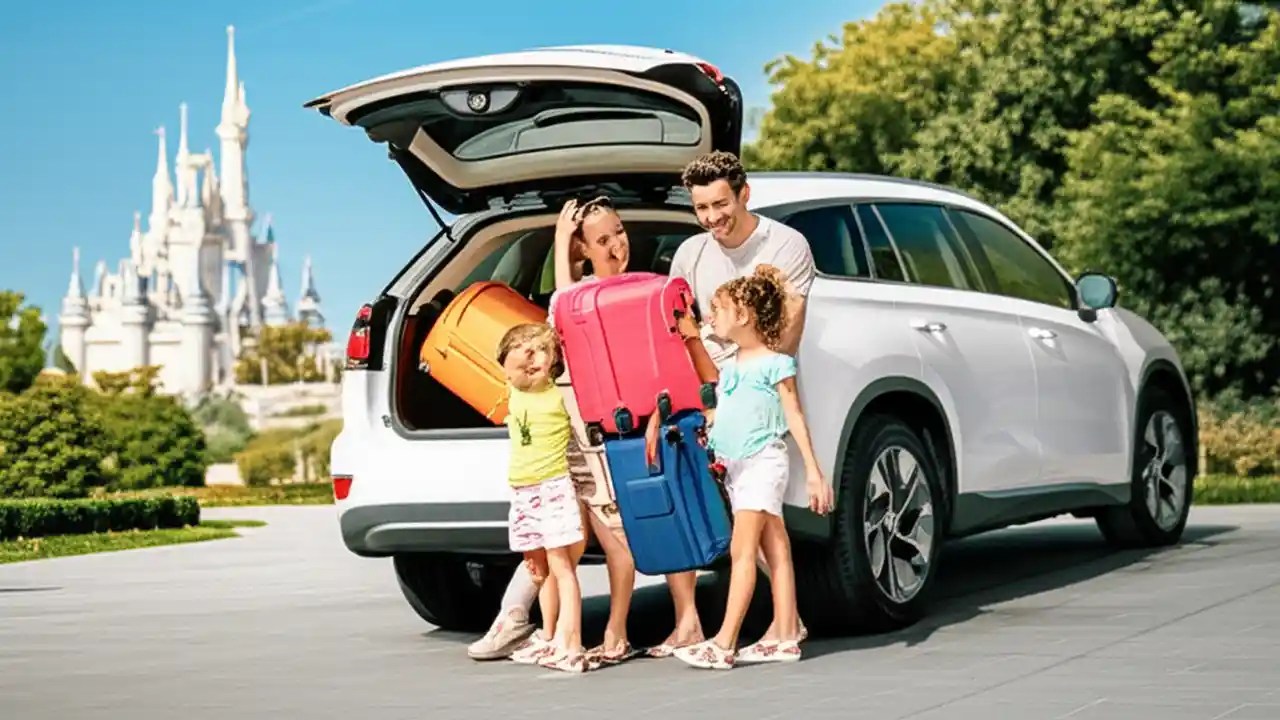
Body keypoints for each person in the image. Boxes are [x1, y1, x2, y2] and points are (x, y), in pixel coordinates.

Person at [469, 196, 706, 663]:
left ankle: (682, 622)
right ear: (583, 251)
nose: (618, 243)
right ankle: (547, 625)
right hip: (586, 438)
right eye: (603, 239)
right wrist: (561, 241)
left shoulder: (646, 292)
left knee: (659, 521)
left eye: (619, 231)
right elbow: (563, 300)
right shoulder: (579, 302)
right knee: (579, 539)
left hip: (640, 427)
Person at [667, 150, 819, 648]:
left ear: (744, 194)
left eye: (720, 204)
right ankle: (785, 624)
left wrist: (736, 384)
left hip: (755, 398)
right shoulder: (690, 253)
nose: (712, 218)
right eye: (701, 208)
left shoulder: (786, 244)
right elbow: (681, 329)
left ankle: (735, 636)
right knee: (760, 519)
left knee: (752, 523)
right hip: (714, 394)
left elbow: (786, 337)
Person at [674, 266, 833, 669]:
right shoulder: (733, 367)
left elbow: (794, 417)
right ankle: (784, 634)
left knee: (742, 551)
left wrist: (814, 472)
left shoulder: (776, 364)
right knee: (775, 548)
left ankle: (724, 642)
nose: (712, 317)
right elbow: (726, 412)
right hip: (739, 467)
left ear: (743, 315)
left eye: (719, 309)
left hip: (764, 462)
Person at [495, 322, 590, 673]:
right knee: (540, 568)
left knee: (562, 567)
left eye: (541, 352)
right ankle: (550, 637)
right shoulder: (512, 390)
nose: (533, 359)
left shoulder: (556, 396)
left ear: (554, 364)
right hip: (522, 490)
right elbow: (507, 366)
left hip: (552, 489)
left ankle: (573, 642)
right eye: (525, 351)